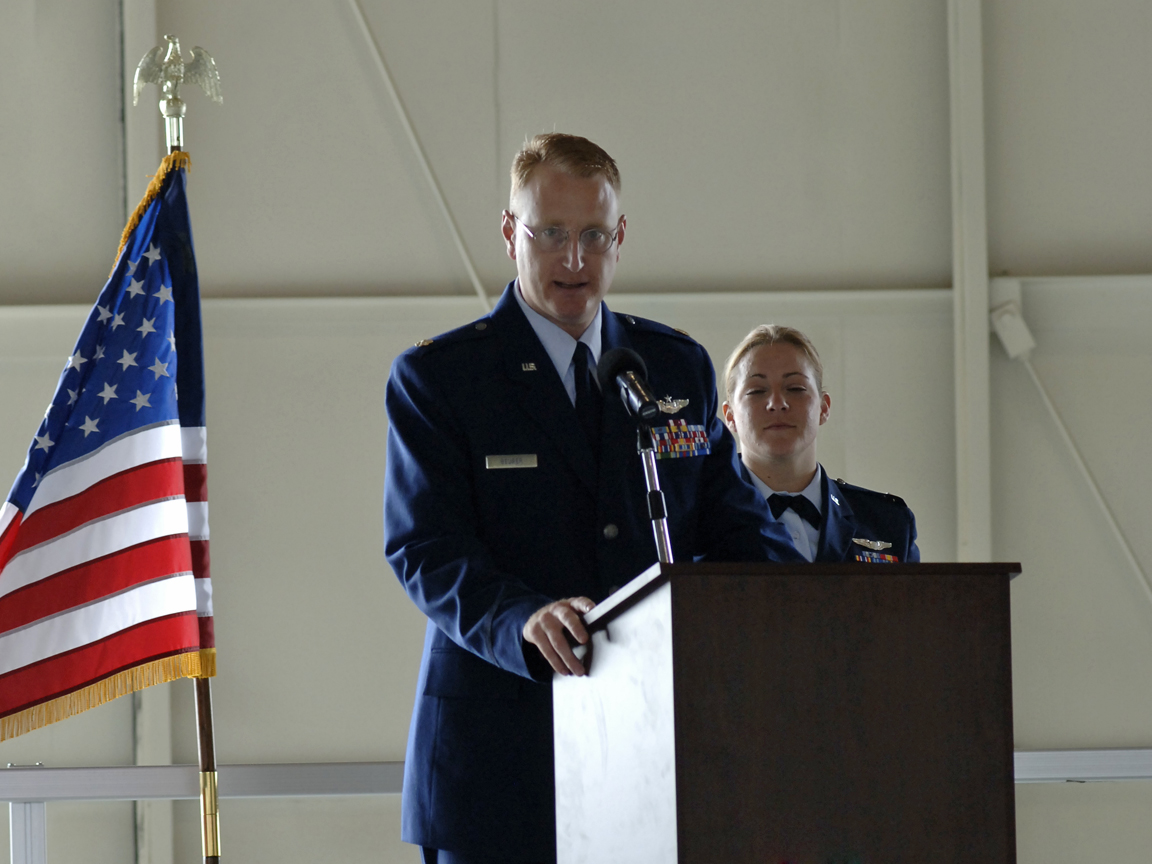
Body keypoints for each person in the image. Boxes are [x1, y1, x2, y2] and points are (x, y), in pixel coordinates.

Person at [384, 134, 801, 864]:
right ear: (511, 233)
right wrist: (521, 618)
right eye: (550, 234)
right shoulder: (443, 378)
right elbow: (425, 548)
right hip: (497, 763)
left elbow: (737, 527)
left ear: (620, 238)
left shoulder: (672, 366)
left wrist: (812, 608)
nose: (573, 261)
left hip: (653, 760)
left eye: (592, 236)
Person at [721, 324, 920, 563]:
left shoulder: (886, 522)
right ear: (730, 415)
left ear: (823, 408)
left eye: (795, 388)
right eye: (756, 391)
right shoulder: (700, 521)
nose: (777, 403)